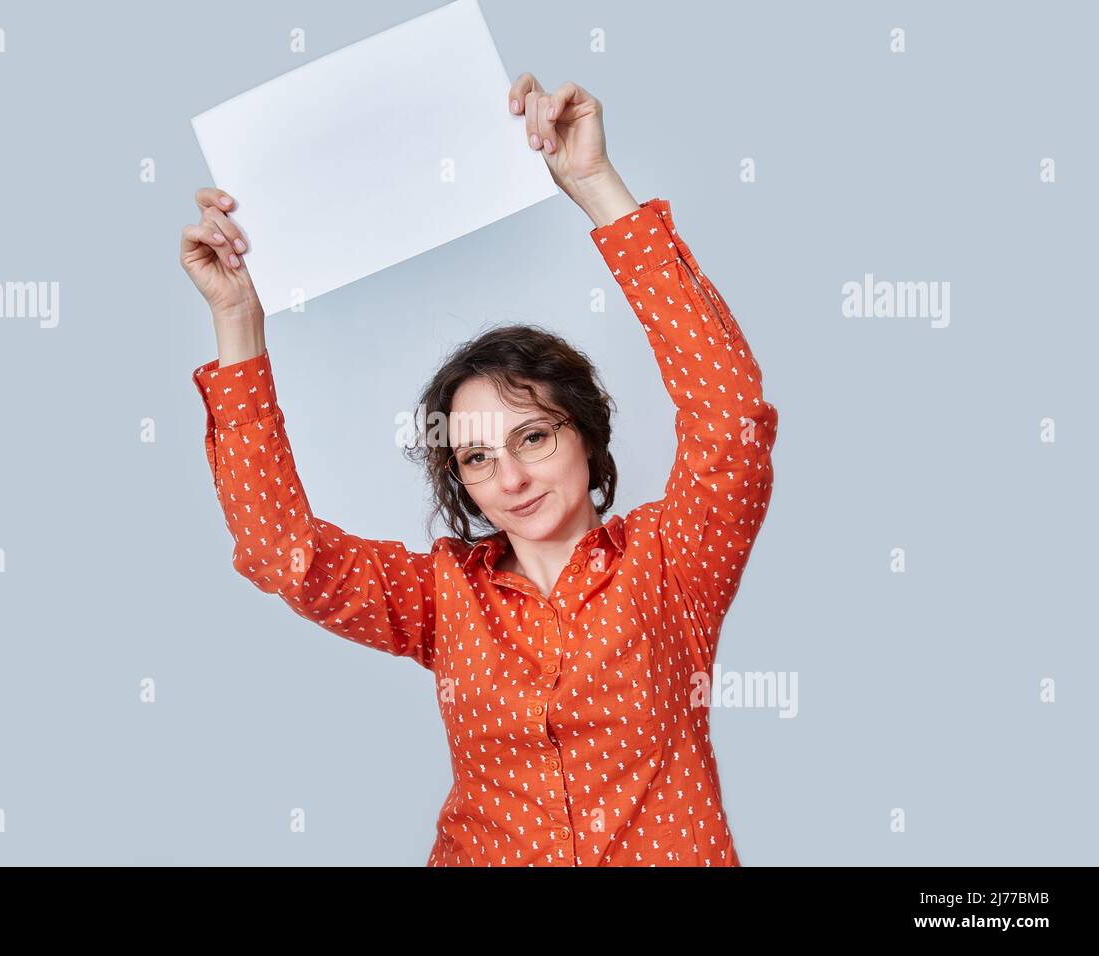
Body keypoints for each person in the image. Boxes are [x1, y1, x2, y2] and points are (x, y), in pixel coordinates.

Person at [180, 74, 778, 867]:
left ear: (585, 435)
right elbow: (278, 549)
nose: (512, 479)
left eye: (532, 438)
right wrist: (237, 319)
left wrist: (595, 184)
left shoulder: (675, 563)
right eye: (477, 457)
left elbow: (731, 415)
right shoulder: (443, 599)